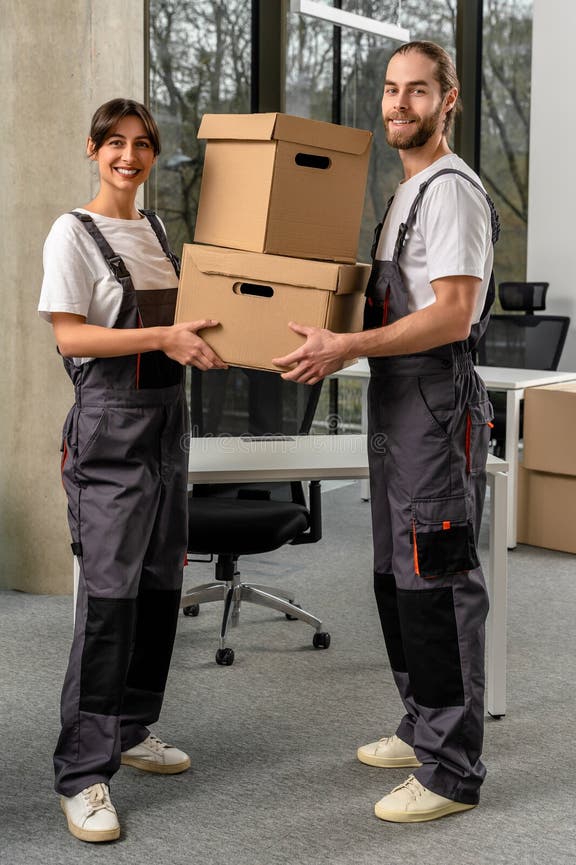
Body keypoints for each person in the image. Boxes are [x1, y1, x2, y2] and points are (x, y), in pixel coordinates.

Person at [273, 41, 499, 823]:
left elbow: (453, 313)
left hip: (434, 403)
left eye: (419, 91)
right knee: (397, 573)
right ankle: (423, 722)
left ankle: (452, 769)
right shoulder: (405, 194)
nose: (400, 103)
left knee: (437, 578)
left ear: (449, 100)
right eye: (392, 89)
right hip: (396, 402)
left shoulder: (451, 192)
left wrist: (348, 346)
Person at [38, 98, 227, 843]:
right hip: (110, 431)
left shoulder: (154, 230)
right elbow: (72, 335)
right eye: (114, 142)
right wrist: (164, 336)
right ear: (93, 149)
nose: (128, 155)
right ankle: (82, 773)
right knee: (110, 601)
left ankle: (131, 726)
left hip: (167, 427)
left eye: (142, 144)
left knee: (158, 588)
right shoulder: (73, 232)